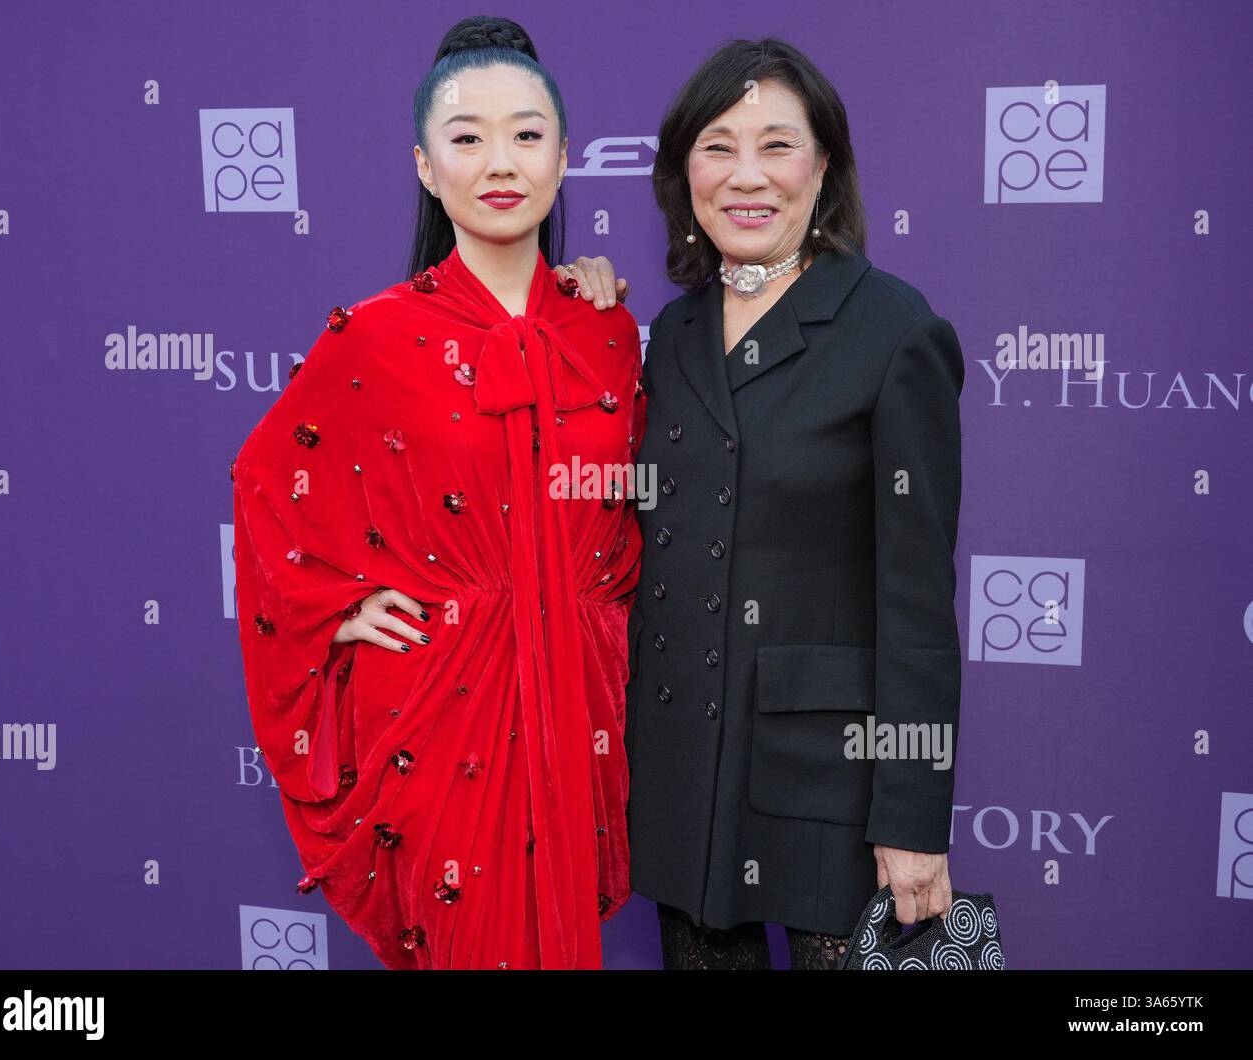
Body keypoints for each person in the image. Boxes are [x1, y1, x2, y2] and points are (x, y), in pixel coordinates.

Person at [230, 16, 646, 970]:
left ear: (564, 157)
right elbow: (267, 482)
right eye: (467, 138)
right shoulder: (374, 338)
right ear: (426, 166)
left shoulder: (610, 332)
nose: (500, 160)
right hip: (440, 717)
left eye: (527, 135)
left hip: (579, 711)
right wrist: (333, 611)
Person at [616, 37, 966, 969]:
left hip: (828, 784)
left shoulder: (894, 330)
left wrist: (913, 817)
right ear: (682, 168)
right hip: (683, 765)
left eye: (777, 145)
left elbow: (920, 604)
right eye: (718, 145)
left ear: (824, 167)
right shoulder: (672, 330)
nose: (745, 175)